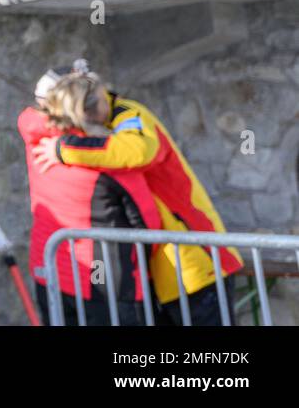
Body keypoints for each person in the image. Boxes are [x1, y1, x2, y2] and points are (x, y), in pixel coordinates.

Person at [31, 64, 240, 326]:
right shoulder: (102, 123)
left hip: (195, 259)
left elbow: (139, 150)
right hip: (165, 269)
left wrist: (65, 149)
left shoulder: (129, 114)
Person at [21, 65, 160, 325]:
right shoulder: (107, 158)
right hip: (111, 284)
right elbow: (147, 222)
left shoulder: (37, 142)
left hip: (52, 274)